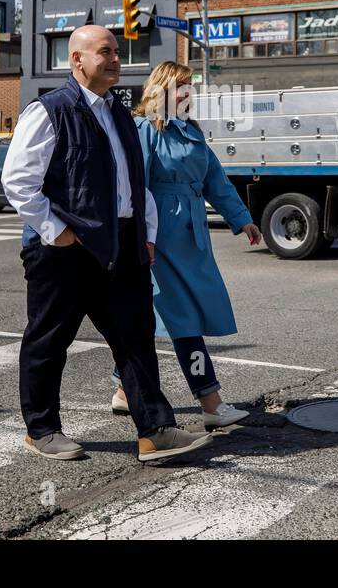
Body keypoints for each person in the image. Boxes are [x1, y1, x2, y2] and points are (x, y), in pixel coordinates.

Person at [0, 24, 211, 463]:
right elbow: (18, 181)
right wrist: (56, 231)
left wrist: (146, 234)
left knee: (135, 336)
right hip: (63, 250)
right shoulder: (49, 111)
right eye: (105, 52)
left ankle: (155, 431)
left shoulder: (119, 113)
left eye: (117, 51)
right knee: (50, 338)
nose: (115, 59)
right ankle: (41, 429)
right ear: (77, 60)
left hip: (122, 245)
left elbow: (136, 183)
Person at [110, 61, 263, 429]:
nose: (187, 93)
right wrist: (142, 238)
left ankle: (122, 390)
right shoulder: (145, 129)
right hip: (160, 237)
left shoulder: (190, 131)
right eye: (180, 86)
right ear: (161, 88)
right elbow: (135, 188)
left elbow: (216, 179)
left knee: (153, 315)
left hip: (191, 236)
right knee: (183, 317)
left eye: (189, 86)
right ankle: (210, 401)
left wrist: (242, 219)